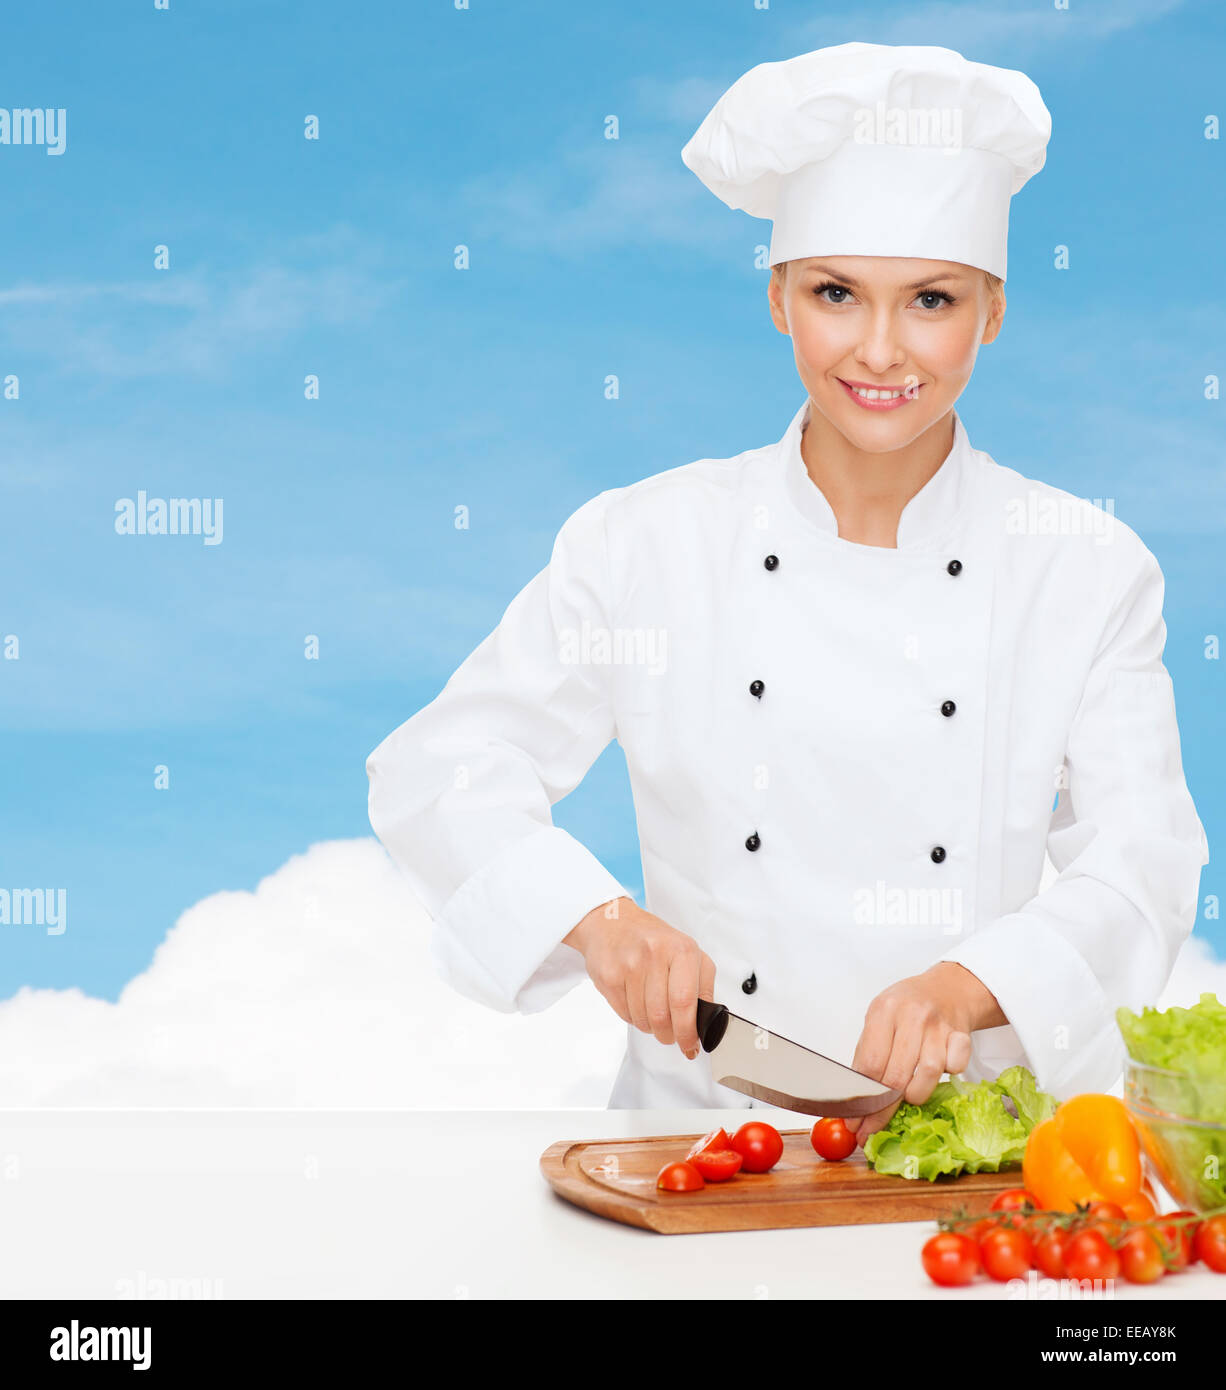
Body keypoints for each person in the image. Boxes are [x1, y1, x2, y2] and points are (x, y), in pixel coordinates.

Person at [366, 43, 1208, 1144]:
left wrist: (965, 985)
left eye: (930, 301)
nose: (877, 348)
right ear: (776, 299)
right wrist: (598, 920)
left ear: (991, 312)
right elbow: (440, 770)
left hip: (974, 1150)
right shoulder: (645, 543)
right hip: (698, 1140)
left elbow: (1141, 861)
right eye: (833, 293)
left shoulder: (1084, 567)